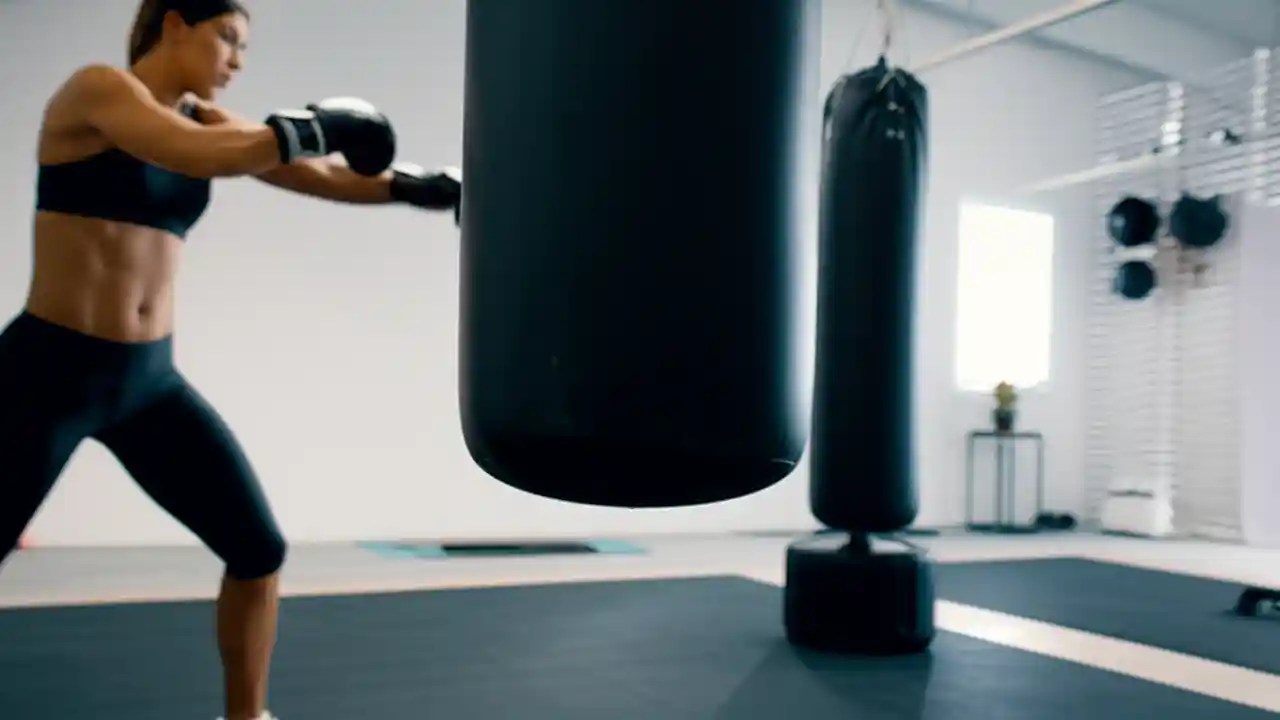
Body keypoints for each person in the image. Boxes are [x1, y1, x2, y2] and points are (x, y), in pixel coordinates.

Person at [0, 1, 462, 719]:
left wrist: (424, 187)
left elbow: (315, 175)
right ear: (177, 23)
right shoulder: (98, 92)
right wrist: (314, 125)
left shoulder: (211, 122)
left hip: (146, 385)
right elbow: (196, 156)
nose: (238, 61)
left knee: (257, 549)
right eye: (229, 39)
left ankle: (246, 716)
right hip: (45, 373)